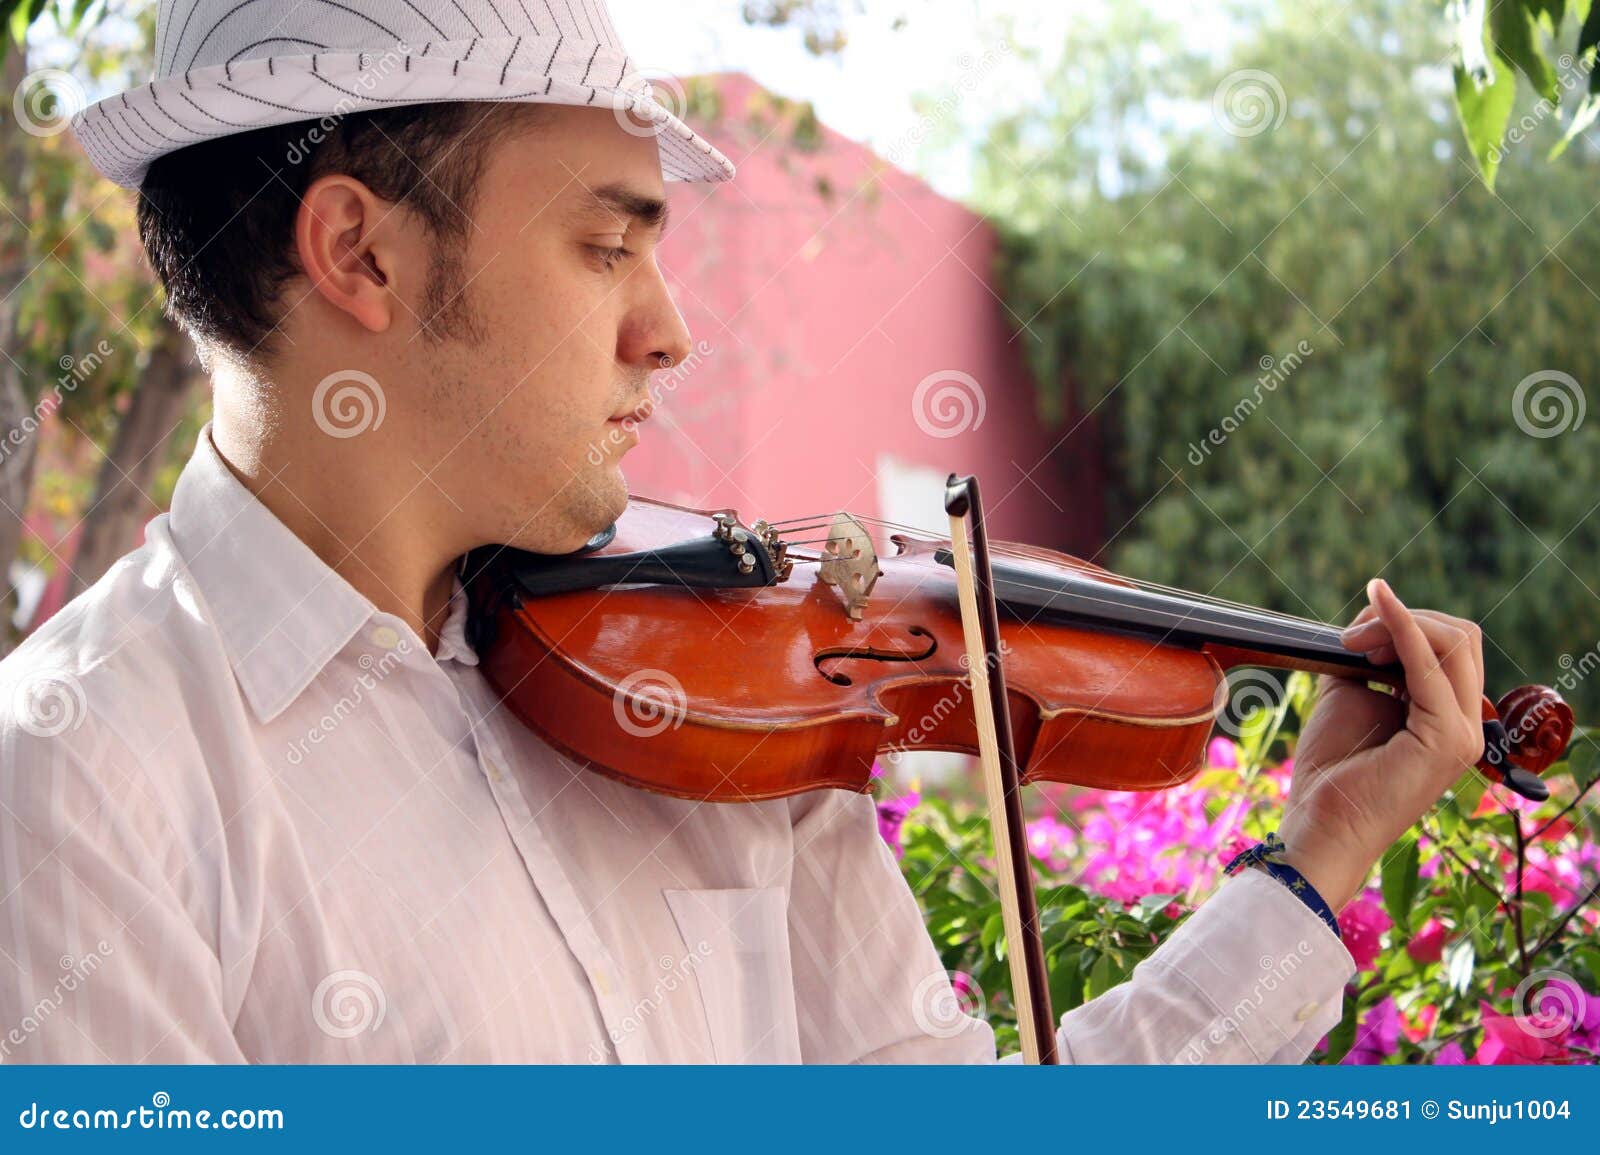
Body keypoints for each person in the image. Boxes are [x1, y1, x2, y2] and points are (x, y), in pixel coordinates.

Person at [0, 0, 1490, 1063]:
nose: (668, 330)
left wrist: (1316, 861)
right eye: (605, 246)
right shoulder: (76, 784)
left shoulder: (706, 700)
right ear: (358, 251)